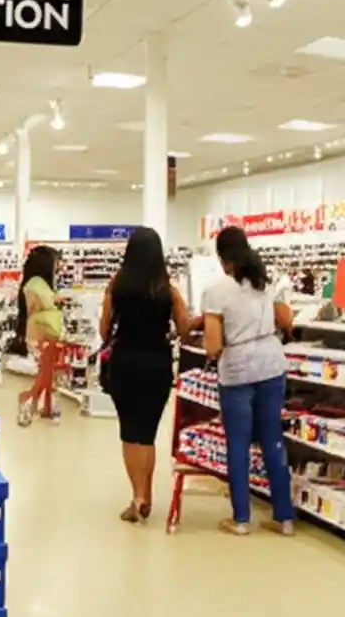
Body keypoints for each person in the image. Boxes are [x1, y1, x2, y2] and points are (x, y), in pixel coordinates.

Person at [204, 226, 295, 536]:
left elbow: (212, 346)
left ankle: (241, 518)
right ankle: (284, 518)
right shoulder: (265, 282)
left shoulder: (216, 292)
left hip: (238, 370)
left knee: (239, 443)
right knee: (273, 440)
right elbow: (287, 319)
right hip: (271, 364)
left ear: (223, 258)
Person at [101, 227, 195, 523]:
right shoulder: (168, 290)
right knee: (148, 434)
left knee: (130, 432)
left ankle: (138, 497)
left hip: (125, 362)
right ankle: (147, 496)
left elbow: (104, 329)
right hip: (157, 364)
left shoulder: (116, 287)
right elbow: (184, 328)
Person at [16, 245, 62, 425]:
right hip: (43, 331)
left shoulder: (36, 283)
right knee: (46, 371)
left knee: (47, 371)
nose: (57, 266)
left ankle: (42, 404)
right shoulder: (35, 284)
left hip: (45, 331)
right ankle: (31, 399)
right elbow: (41, 304)